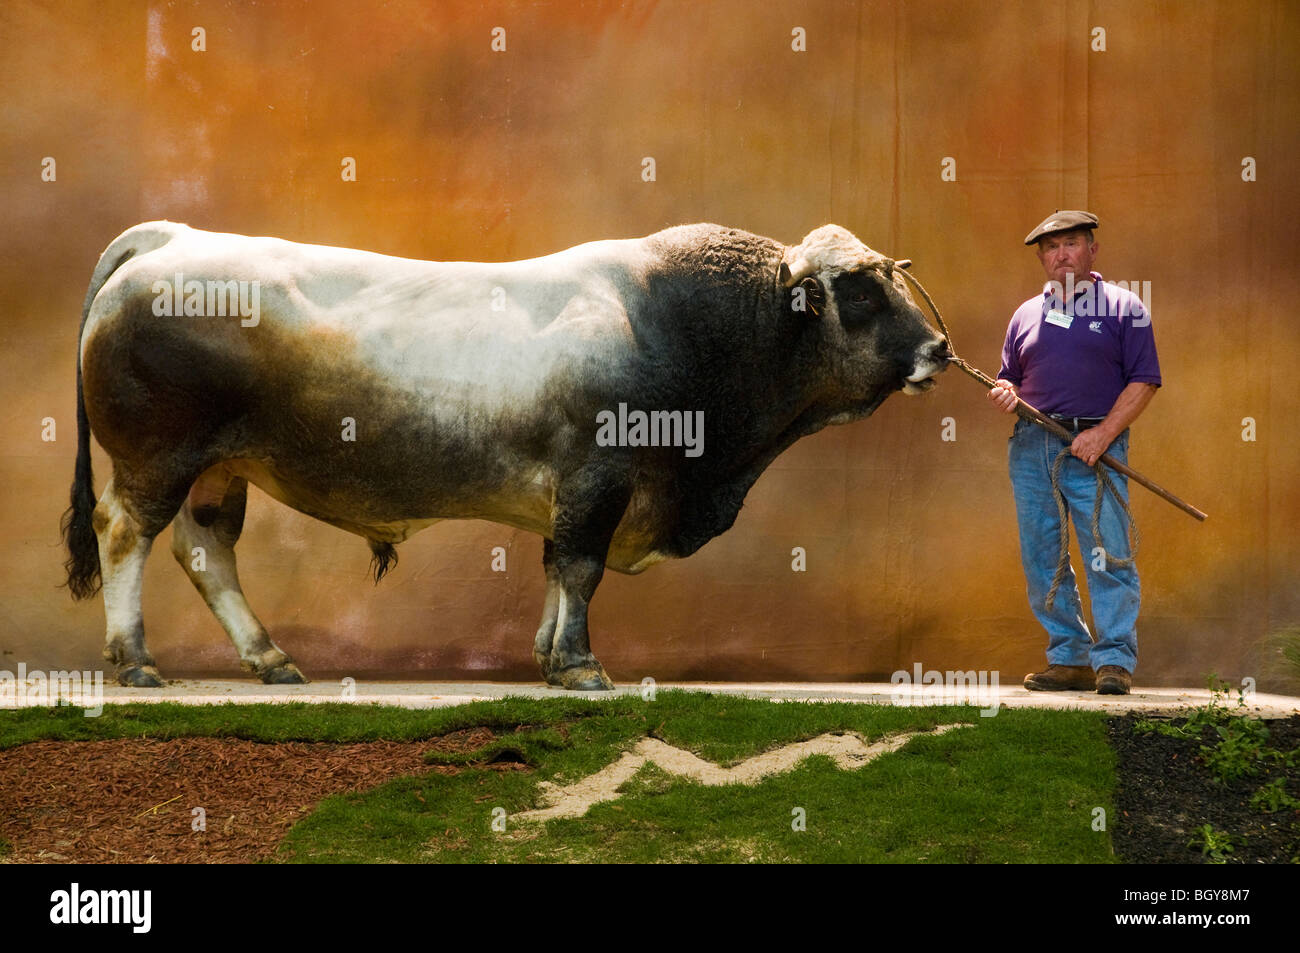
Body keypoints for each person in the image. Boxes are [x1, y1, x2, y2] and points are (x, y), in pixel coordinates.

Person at [987, 210, 1161, 695]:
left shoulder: (1126, 307)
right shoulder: (1025, 314)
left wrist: (1103, 435)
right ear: (1042, 258)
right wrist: (1004, 392)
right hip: (1031, 446)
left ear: (1092, 250)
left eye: (1071, 244)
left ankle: (1113, 662)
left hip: (1095, 449)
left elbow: (1145, 380)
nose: (1061, 254)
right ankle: (1068, 657)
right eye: (1051, 248)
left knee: (1107, 552)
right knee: (1042, 556)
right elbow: (1010, 377)